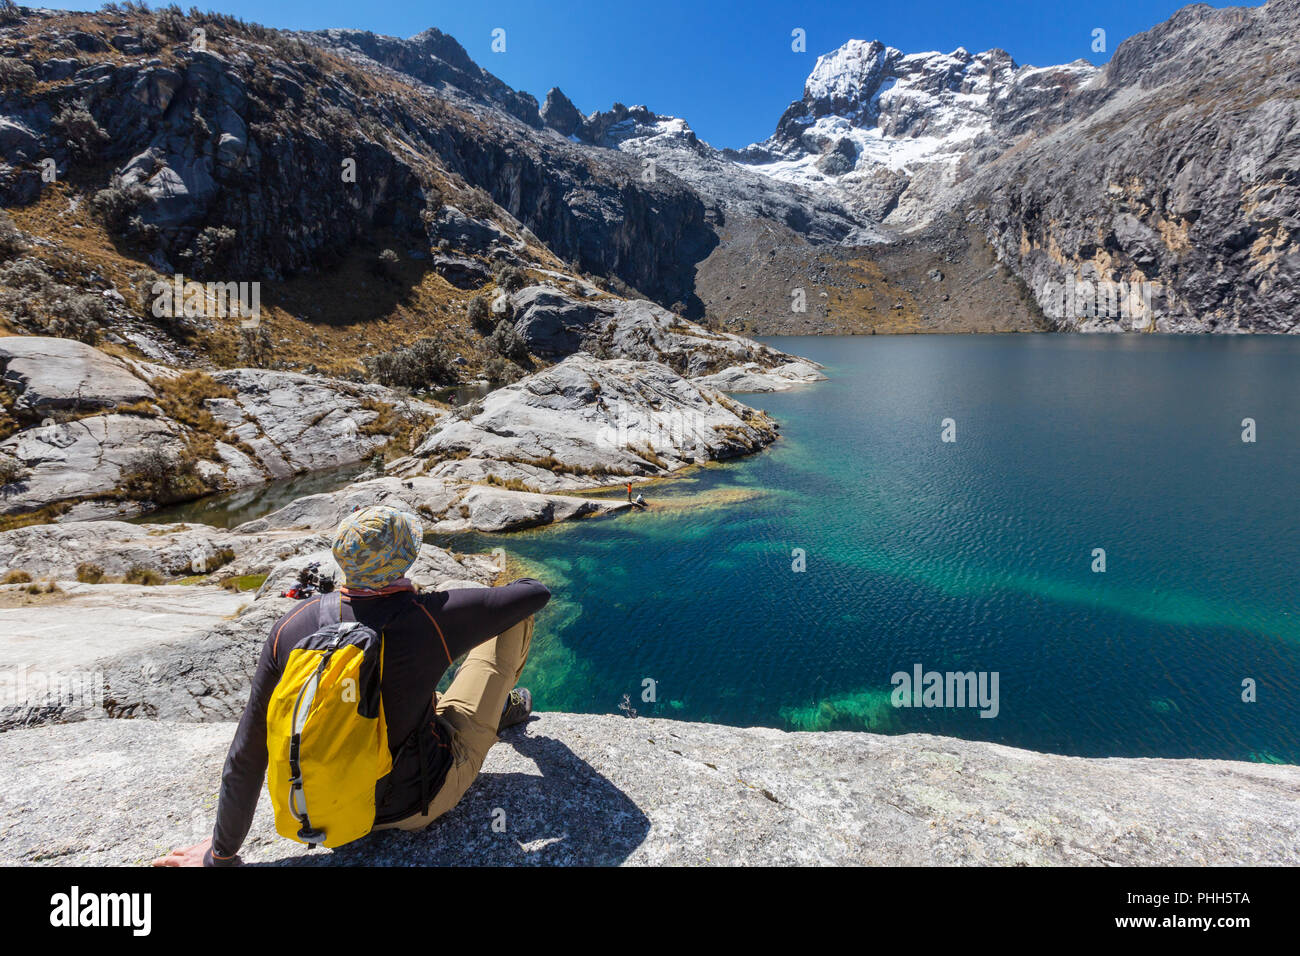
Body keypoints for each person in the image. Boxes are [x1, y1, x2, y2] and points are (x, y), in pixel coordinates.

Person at [152, 505, 550, 867]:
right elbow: (534, 594)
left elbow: (248, 750)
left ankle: (489, 709)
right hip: (418, 803)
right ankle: (495, 710)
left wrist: (220, 853)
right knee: (511, 621)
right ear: (407, 557)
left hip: (329, 815)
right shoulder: (430, 618)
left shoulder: (291, 626)